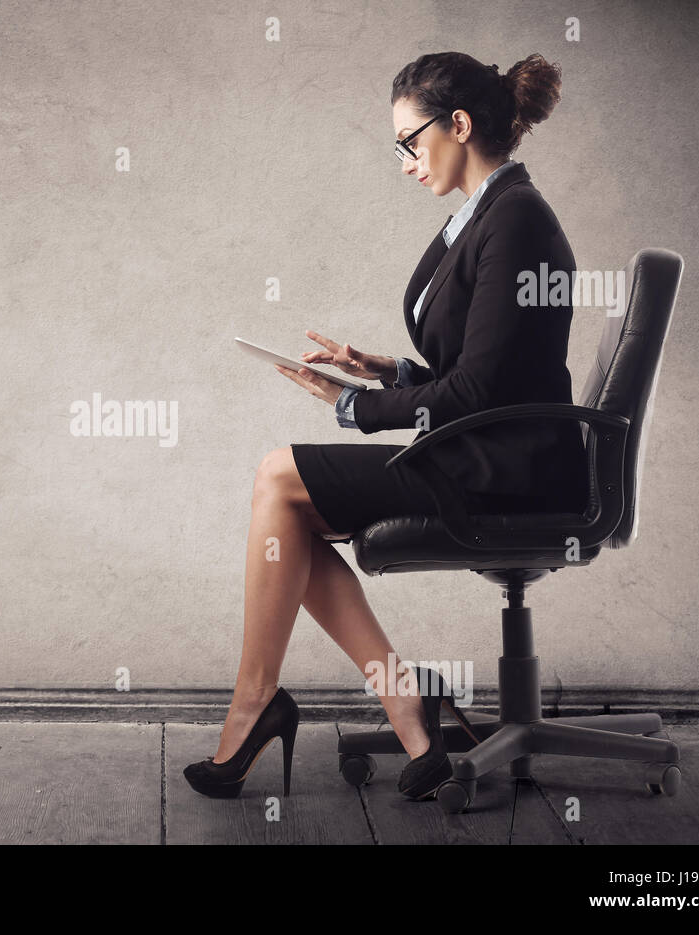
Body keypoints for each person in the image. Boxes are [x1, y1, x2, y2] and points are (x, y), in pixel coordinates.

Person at [184, 51, 587, 801]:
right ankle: (400, 699)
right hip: (485, 449)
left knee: (279, 476)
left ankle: (270, 703)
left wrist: (353, 407)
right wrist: (383, 371)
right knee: (288, 507)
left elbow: (480, 389)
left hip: (511, 467)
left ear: (458, 125)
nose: (403, 161)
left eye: (409, 141)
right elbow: (482, 369)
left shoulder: (518, 219)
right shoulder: (486, 216)